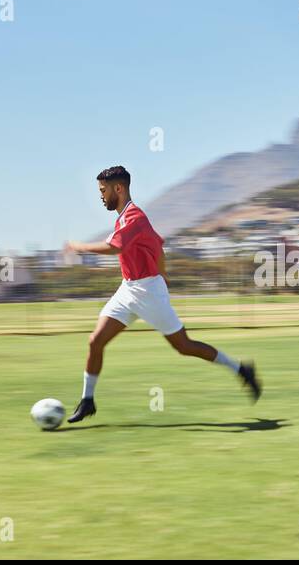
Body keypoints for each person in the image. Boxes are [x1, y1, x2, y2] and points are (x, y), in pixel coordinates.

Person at [63, 166, 261, 422]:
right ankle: (87, 401)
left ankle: (241, 370)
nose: (101, 196)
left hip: (148, 292)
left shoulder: (134, 217)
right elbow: (159, 247)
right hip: (128, 289)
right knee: (95, 341)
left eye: (103, 191)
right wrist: (164, 273)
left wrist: (77, 246)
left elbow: (114, 247)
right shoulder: (125, 218)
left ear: (118, 188)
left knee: (184, 346)